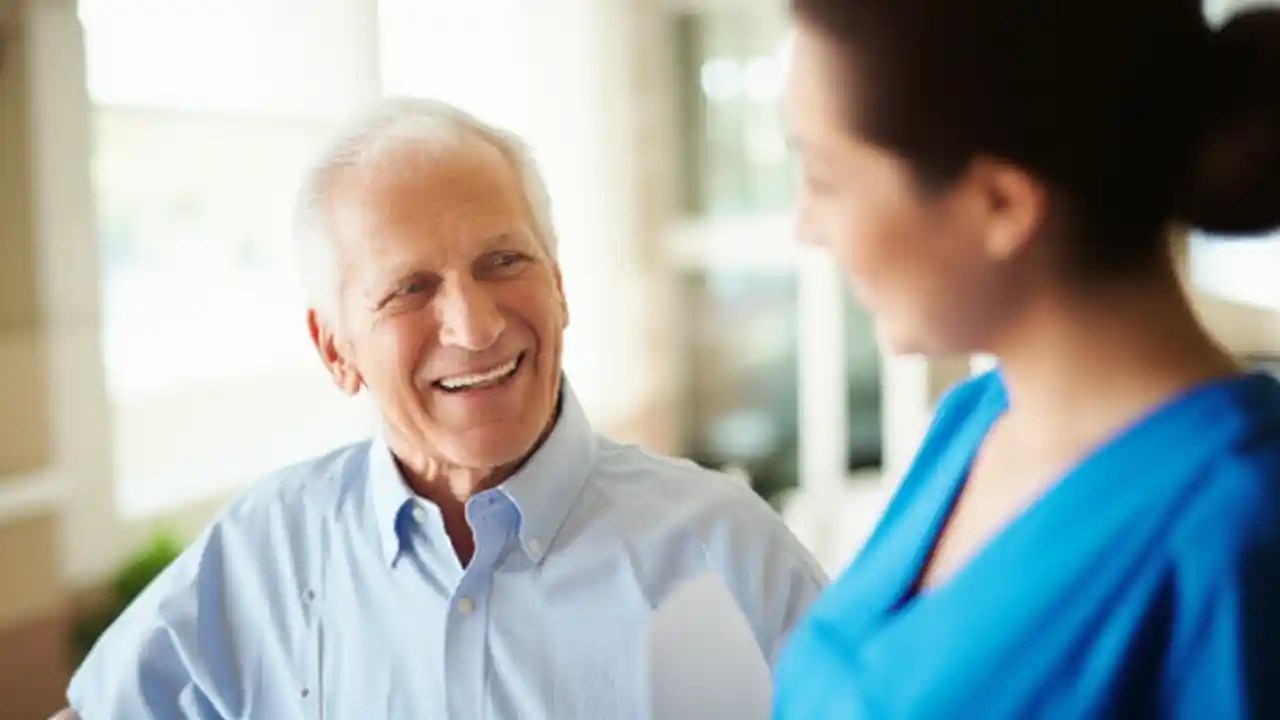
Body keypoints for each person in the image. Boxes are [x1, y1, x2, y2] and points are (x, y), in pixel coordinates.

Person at [67, 98, 825, 719]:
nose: (475, 325)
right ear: (334, 348)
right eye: (411, 289)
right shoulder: (265, 550)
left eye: (504, 262)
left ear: (559, 287)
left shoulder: (727, 551)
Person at [774, 0, 1280, 716]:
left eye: (824, 177)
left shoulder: (1239, 528)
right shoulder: (974, 422)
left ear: (1000, 203)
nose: (806, 227)